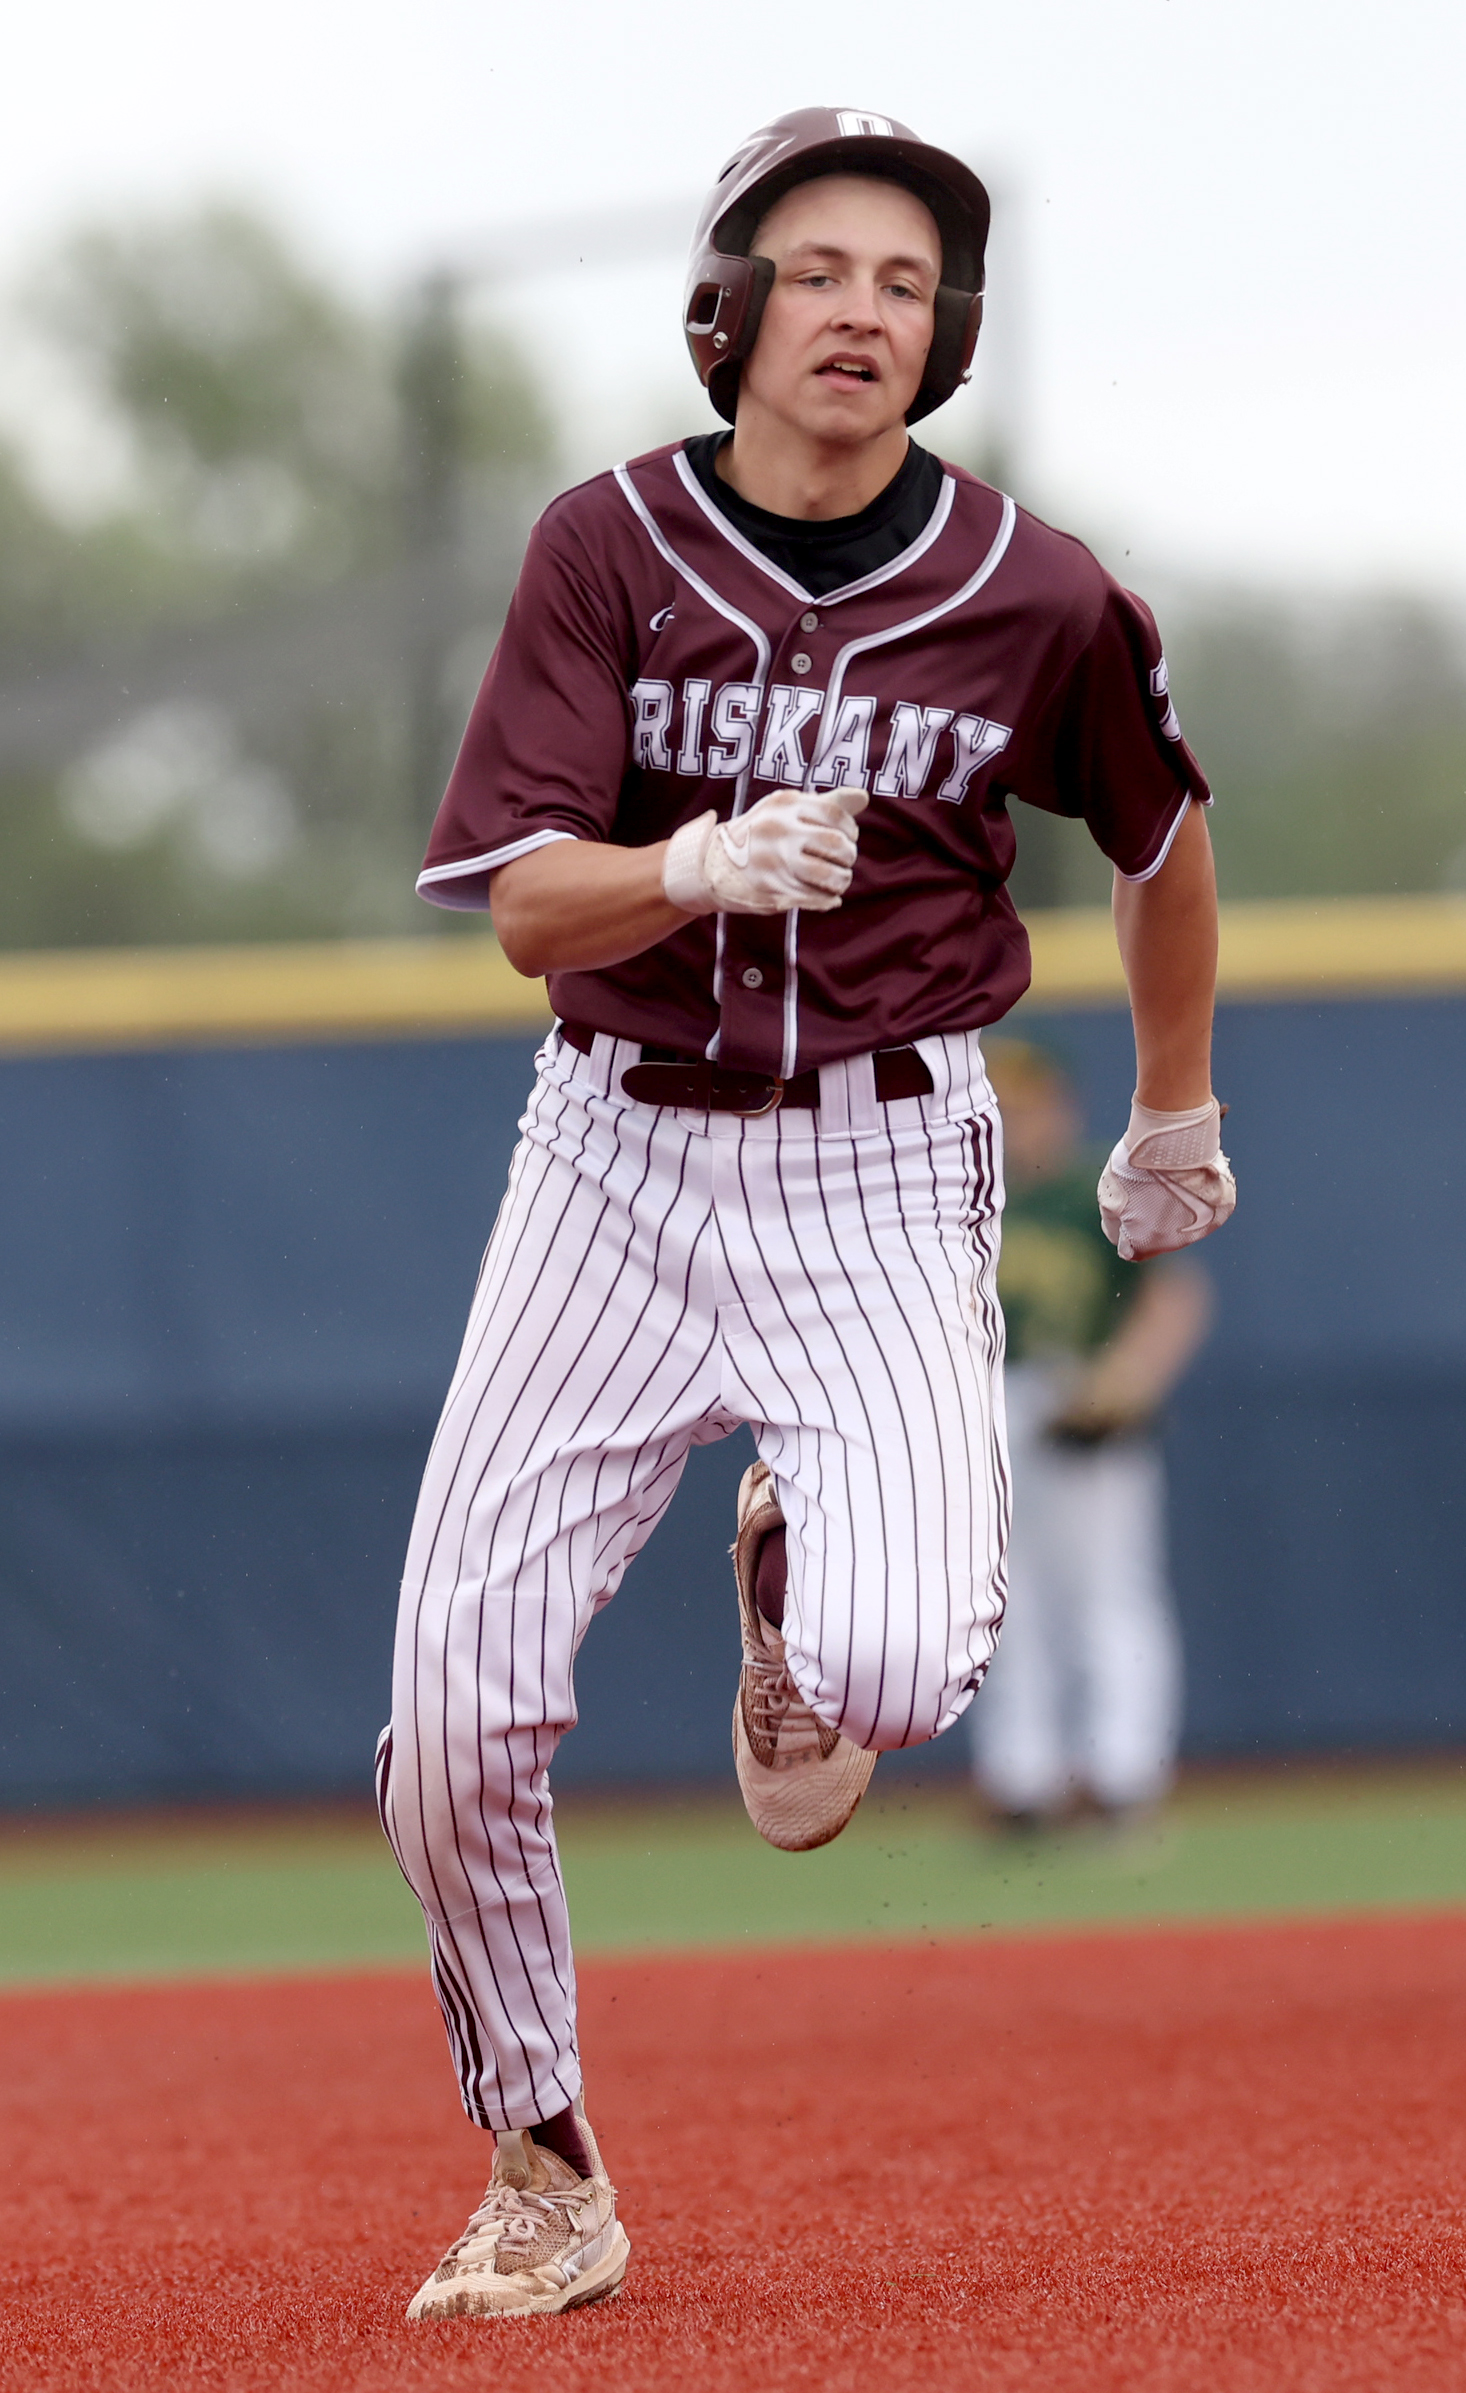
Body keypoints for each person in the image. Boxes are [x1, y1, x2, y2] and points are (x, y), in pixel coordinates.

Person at [376, 105, 1235, 2323]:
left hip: (878, 1158)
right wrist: (687, 860)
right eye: (821, 269)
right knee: (449, 1717)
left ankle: (786, 1587)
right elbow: (516, 903)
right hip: (610, 1155)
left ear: (944, 336)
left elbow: (1158, 835)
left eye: (905, 283)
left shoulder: (1035, 588)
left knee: (895, 1670)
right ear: (731, 305)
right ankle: (542, 2163)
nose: (862, 310)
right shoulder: (605, 544)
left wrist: (1169, 1103)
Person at [972, 1039, 1213, 1829]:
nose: (1014, 1121)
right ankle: (1022, 1779)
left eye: (1027, 1104)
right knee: (997, 1602)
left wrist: (1126, 1378)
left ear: (1061, 1107)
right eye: (1001, 1106)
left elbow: (1175, 1295)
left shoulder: (1094, 1192)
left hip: (1078, 1396)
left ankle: (1121, 1774)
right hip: (981, 1409)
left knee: (1108, 1592)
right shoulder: (960, 1197)